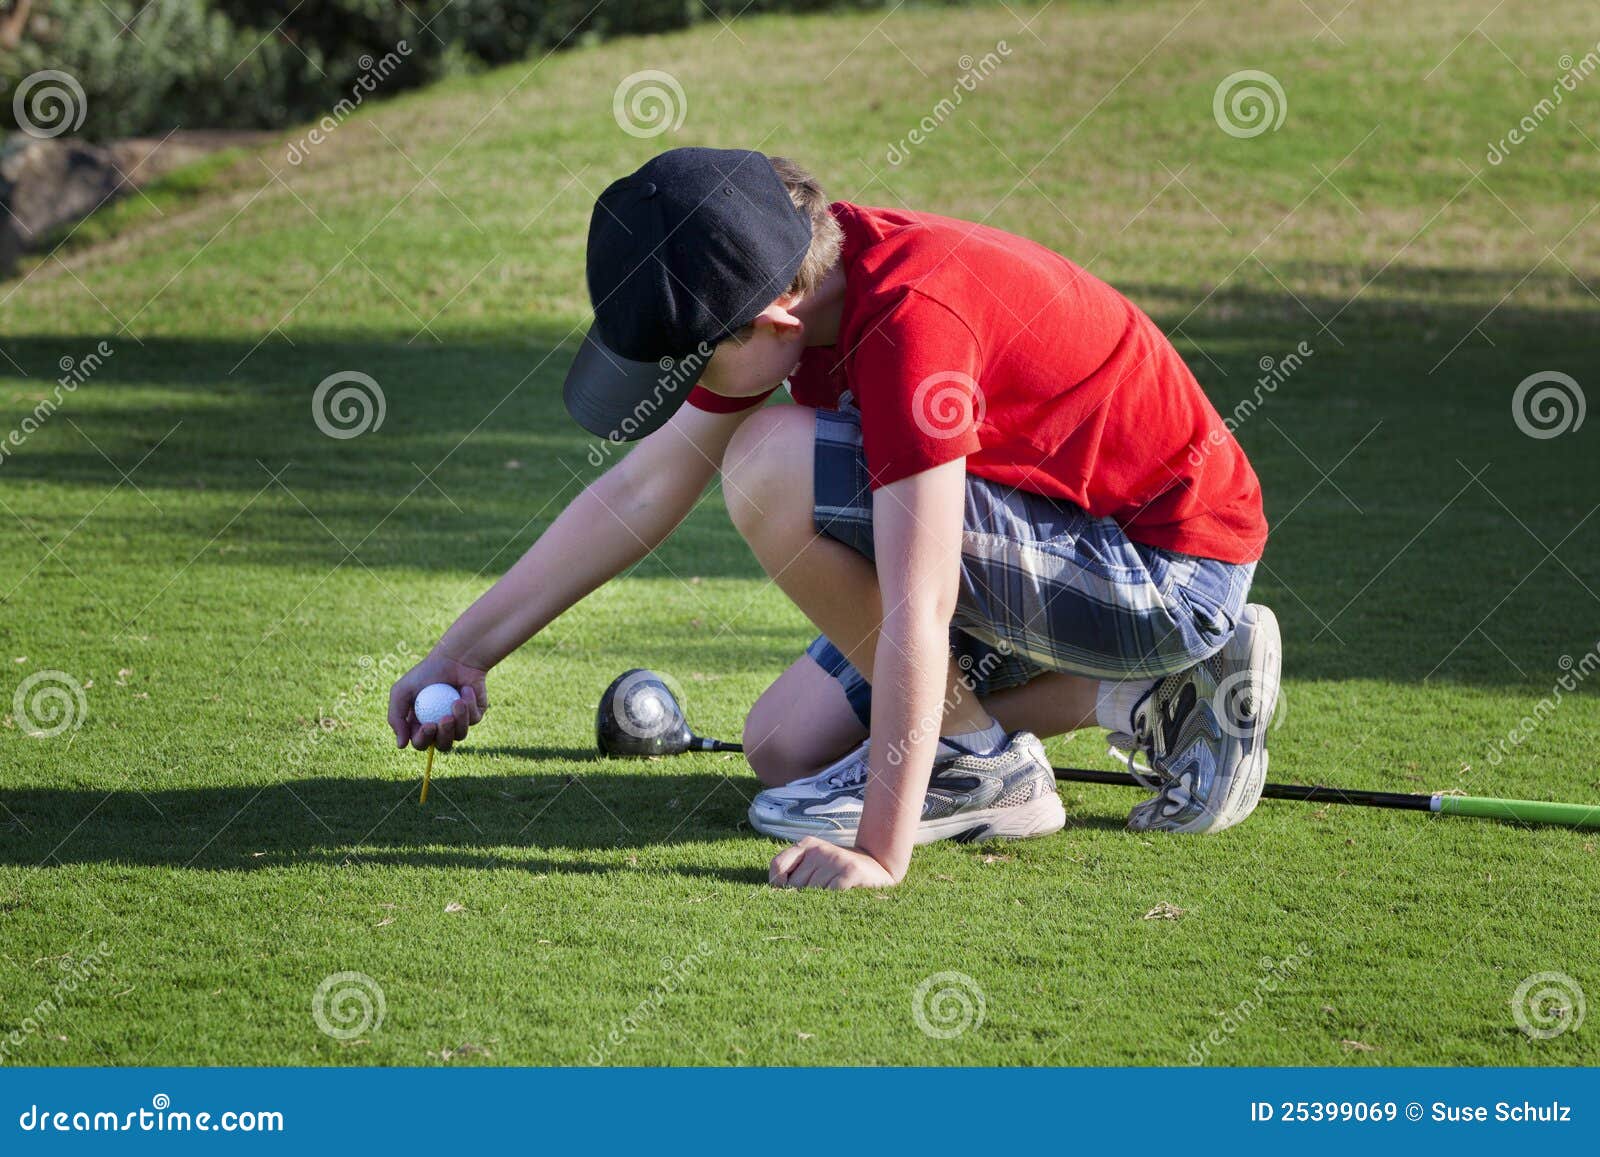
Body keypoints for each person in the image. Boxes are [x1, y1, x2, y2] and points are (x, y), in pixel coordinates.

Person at [388, 147, 1280, 891]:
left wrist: (881, 853)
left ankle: (980, 764)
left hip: (1165, 574)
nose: (682, 391)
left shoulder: (911, 325)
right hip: (1058, 546)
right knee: (784, 745)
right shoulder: (806, 285)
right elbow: (639, 493)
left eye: (690, 362)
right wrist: (460, 655)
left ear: (774, 316)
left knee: (771, 463)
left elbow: (922, 602)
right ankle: (1146, 696)